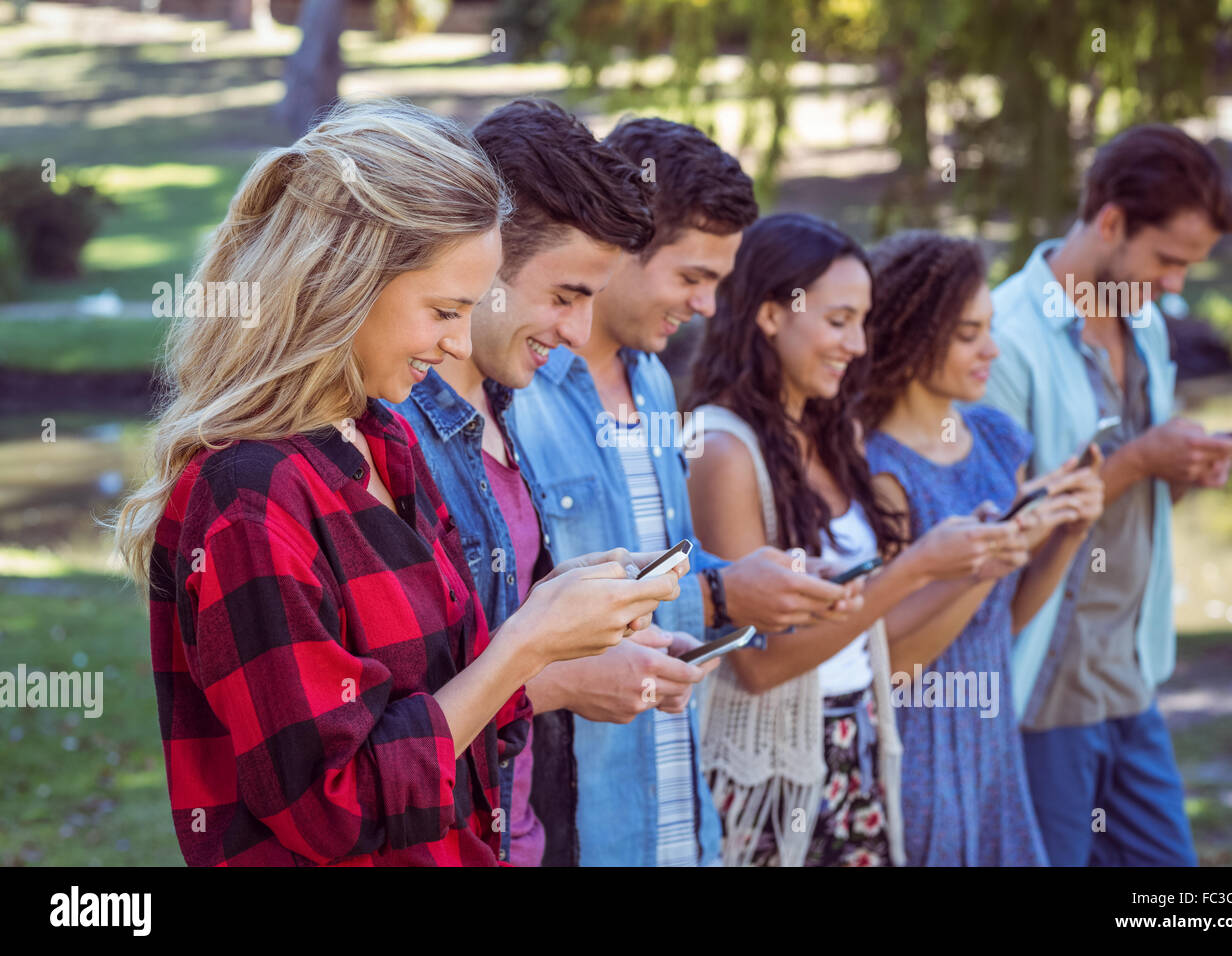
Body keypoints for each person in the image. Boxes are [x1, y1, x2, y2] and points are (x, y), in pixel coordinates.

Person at [111, 100, 680, 866]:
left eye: (469, 312)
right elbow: (333, 810)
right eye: (444, 310)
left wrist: (549, 617)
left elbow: (452, 709)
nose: (455, 341)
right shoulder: (249, 496)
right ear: (343, 283)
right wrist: (524, 645)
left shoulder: (381, 441)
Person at [511, 118, 866, 866]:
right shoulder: (515, 390)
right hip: (569, 824)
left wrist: (733, 584)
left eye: (717, 283)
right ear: (623, 247)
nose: (707, 307)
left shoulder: (652, 381)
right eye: (692, 278)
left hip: (678, 816)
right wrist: (721, 596)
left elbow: (659, 566)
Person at [389, 97, 717, 866]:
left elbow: (482, 637)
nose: (575, 332)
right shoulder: (391, 433)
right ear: (486, 256)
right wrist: (563, 679)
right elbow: (386, 727)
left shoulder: (506, 402)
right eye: (564, 295)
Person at [684, 213, 1033, 867]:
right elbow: (757, 664)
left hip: (858, 750)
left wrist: (976, 561)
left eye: (864, 322)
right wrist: (917, 567)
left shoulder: (834, 435)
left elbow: (874, 643)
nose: (857, 344)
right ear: (768, 315)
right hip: (768, 781)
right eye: (839, 320)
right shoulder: (723, 448)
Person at [980, 124, 1232, 866]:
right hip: (1043, 690)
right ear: (1110, 222)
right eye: (1167, 259)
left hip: (1130, 677)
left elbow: (1134, 497)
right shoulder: (1002, 340)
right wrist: (1140, 459)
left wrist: (1182, 471)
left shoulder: (1148, 326)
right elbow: (995, 533)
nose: (1175, 284)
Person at [857, 230, 1106, 865]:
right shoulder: (880, 472)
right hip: (919, 745)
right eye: (969, 335)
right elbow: (893, 663)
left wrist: (1067, 531)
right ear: (912, 336)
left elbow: (1007, 617)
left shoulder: (997, 438)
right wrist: (983, 566)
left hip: (992, 741)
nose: (992, 350)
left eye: (989, 328)